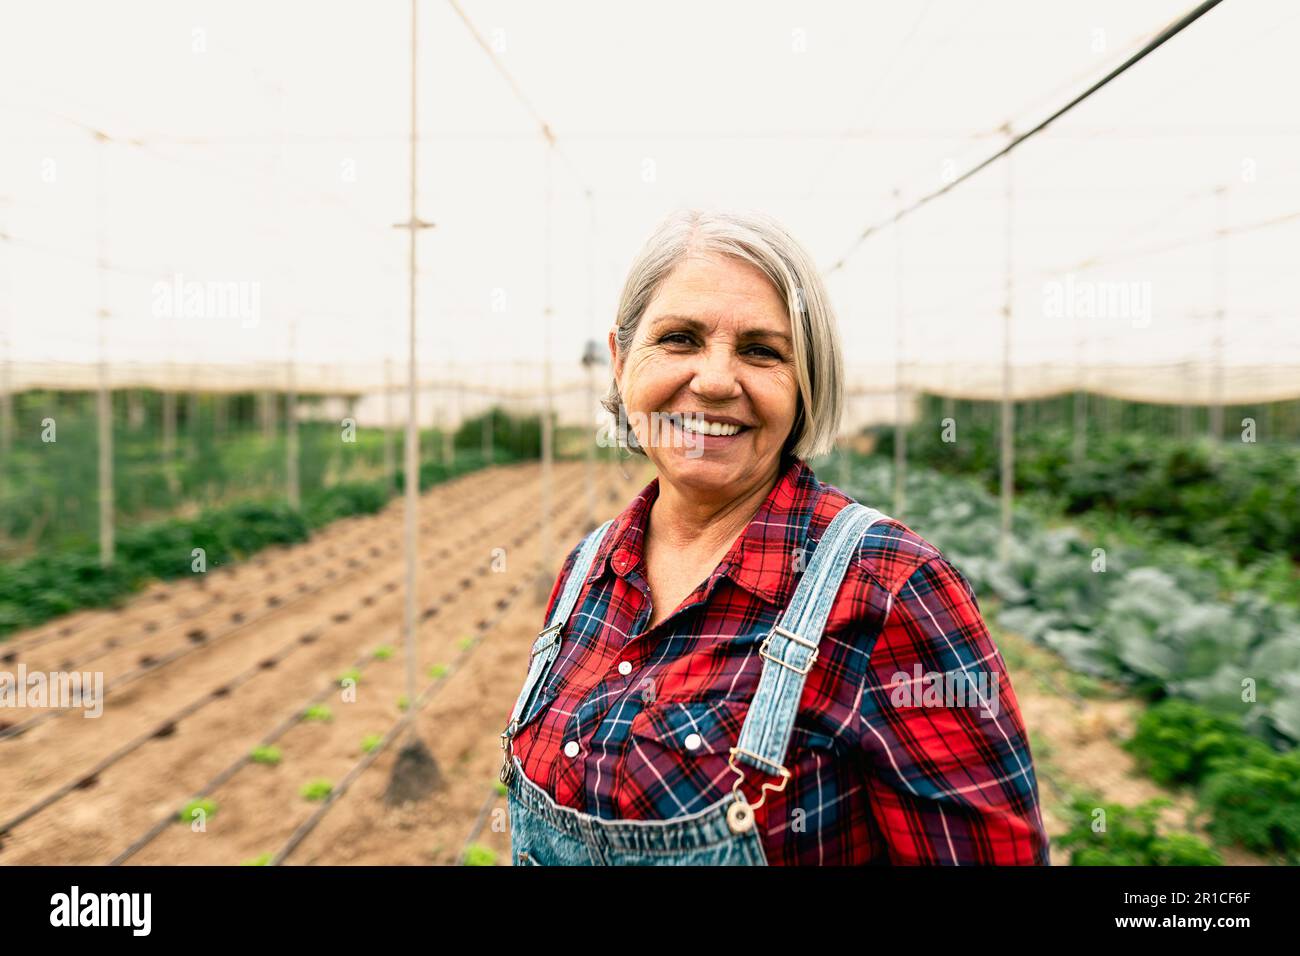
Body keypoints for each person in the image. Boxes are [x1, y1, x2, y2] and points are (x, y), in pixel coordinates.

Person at [499, 208, 1050, 865]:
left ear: (804, 382)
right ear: (621, 362)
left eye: (761, 351)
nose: (714, 380)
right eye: (679, 338)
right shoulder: (588, 570)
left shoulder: (889, 589)